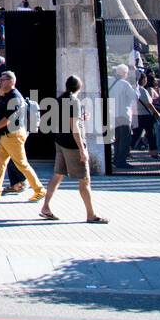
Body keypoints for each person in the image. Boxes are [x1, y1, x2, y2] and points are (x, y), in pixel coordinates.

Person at [39, 76, 108, 222]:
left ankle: (45, 207)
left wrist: (80, 118)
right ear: (79, 87)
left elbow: (64, 120)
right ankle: (91, 214)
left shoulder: (59, 100)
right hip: (72, 145)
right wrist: (82, 148)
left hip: (60, 142)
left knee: (58, 175)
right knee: (85, 179)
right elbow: (74, 126)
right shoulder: (74, 101)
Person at [0, 70, 44, 200]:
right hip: (6, 136)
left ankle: (39, 190)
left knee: (22, 164)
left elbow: (9, 118)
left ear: (10, 81)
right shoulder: (7, 95)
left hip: (13, 136)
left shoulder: (15, 97)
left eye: (2, 80)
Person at [108, 63, 136, 169]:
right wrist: (136, 88)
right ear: (124, 73)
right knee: (124, 139)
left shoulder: (110, 81)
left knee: (117, 139)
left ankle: (116, 159)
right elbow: (134, 97)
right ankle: (121, 161)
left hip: (113, 114)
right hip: (123, 115)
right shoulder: (125, 84)